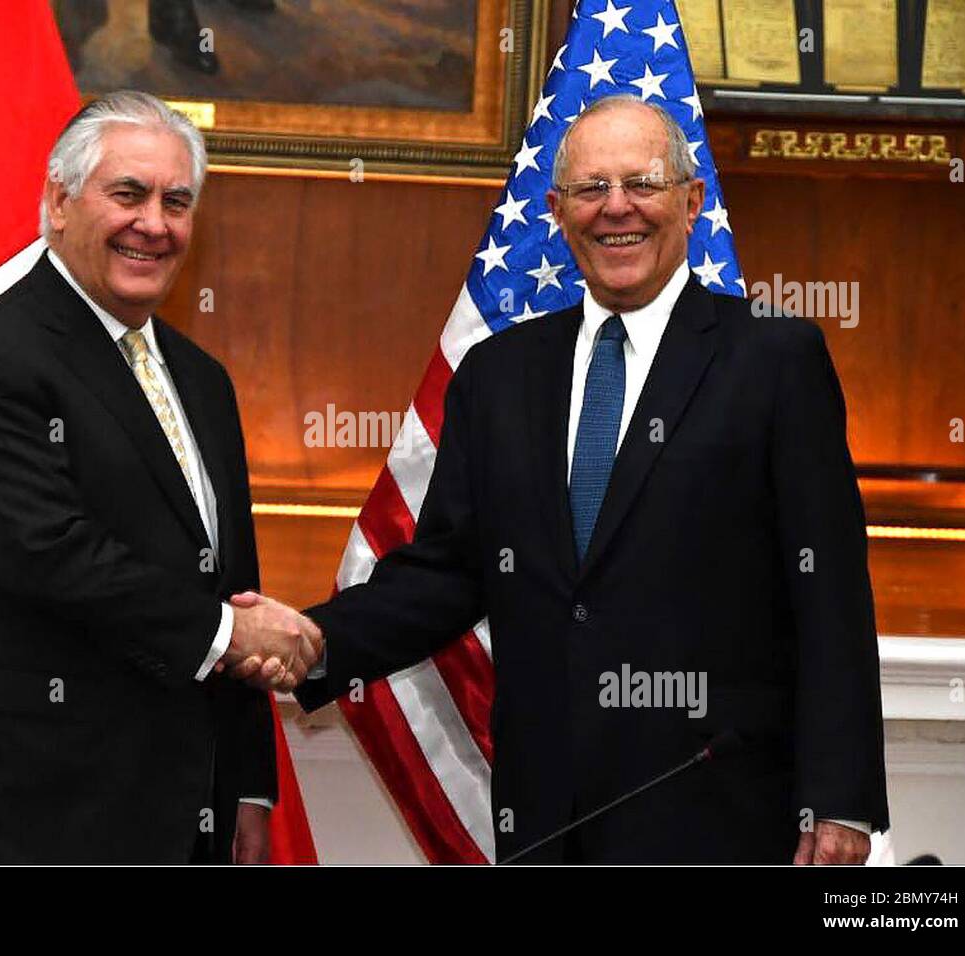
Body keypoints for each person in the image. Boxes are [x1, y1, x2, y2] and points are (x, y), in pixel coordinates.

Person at [244, 94, 888, 864]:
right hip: (546, 817)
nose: (617, 210)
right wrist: (316, 642)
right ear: (556, 210)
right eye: (591, 189)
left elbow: (831, 595)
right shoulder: (498, 375)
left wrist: (840, 798)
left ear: (691, 201)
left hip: (720, 814)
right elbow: (448, 572)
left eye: (642, 184)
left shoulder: (774, 363)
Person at [0, 91, 320, 864]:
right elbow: (49, 551)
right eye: (127, 194)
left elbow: (234, 578)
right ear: (59, 203)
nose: (153, 224)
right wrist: (231, 636)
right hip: (30, 812)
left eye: (176, 201)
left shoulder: (202, 379)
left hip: (181, 809)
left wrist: (249, 784)